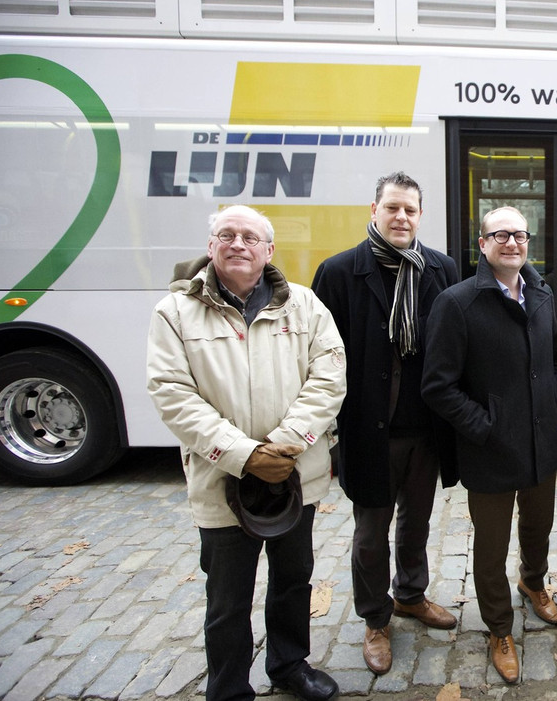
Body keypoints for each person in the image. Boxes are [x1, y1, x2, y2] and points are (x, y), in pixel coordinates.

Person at [147, 205, 346, 701]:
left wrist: (287, 444)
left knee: (293, 579)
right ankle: (230, 687)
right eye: (227, 235)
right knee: (227, 597)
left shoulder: (304, 305)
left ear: (269, 251)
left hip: (293, 475)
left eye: (250, 238)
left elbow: (329, 375)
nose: (239, 244)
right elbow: (172, 392)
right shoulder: (174, 313)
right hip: (222, 481)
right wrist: (242, 454)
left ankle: (288, 665)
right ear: (211, 246)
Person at [310, 172, 460, 676]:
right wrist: (327, 437)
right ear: (373, 210)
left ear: (420, 216)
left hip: (425, 429)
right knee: (370, 535)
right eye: (392, 208)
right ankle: (376, 618)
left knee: (416, 523)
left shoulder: (440, 269)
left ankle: (411, 595)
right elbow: (320, 361)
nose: (401, 217)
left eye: (410, 210)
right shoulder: (338, 273)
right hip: (368, 430)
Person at [422, 206, 557, 683]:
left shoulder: (544, 295)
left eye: (520, 235)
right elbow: (438, 386)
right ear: (482, 244)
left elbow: (555, 362)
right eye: (500, 235)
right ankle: (499, 629)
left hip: (541, 442)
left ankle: (533, 583)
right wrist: (485, 426)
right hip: (489, 449)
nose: (512, 243)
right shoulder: (457, 302)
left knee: (539, 527)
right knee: (491, 546)